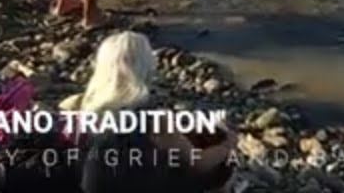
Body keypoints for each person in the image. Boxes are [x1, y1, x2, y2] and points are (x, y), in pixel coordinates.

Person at [79, 32, 237, 193]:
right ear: (146, 67)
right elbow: (198, 163)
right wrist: (227, 145)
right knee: (223, 166)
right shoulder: (154, 118)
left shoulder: (87, 108)